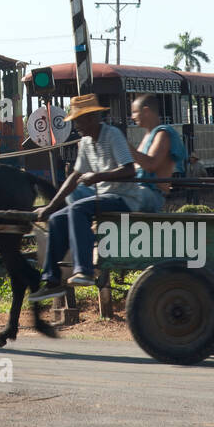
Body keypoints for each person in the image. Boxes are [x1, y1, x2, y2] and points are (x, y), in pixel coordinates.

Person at [29, 94, 144, 298]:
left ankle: (84, 271)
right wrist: (50, 207)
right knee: (56, 219)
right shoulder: (85, 142)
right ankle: (52, 280)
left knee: (78, 209)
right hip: (104, 198)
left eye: (78, 120)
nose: (76, 126)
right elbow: (74, 177)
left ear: (91, 118)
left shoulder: (113, 135)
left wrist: (97, 176)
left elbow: (129, 170)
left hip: (124, 198)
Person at [130, 94, 187, 207]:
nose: (132, 117)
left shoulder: (163, 134)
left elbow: (151, 164)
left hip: (152, 195)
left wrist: (126, 146)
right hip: (140, 192)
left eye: (135, 112)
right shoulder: (148, 135)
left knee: (118, 200)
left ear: (146, 111)